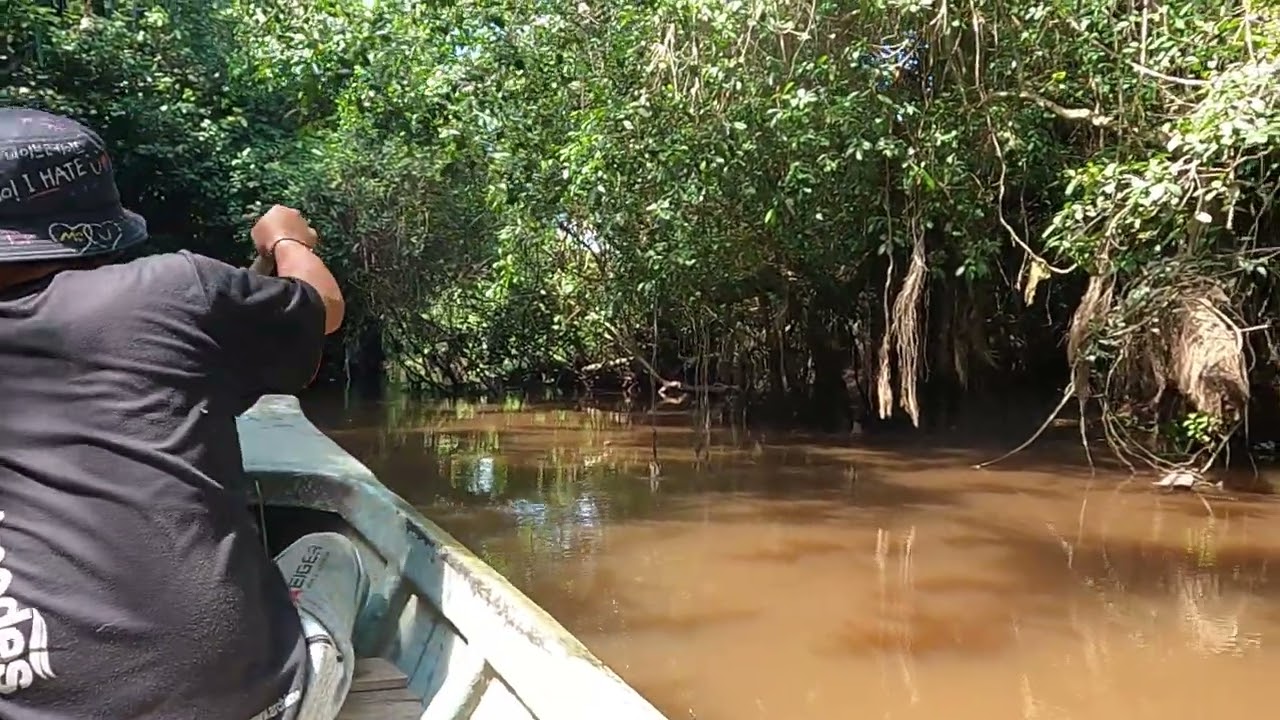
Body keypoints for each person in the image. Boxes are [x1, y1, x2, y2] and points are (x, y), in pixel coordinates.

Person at [0, 107, 365, 719]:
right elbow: (322, 305)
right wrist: (286, 239)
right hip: (240, 707)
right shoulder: (174, 289)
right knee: (333, 551)